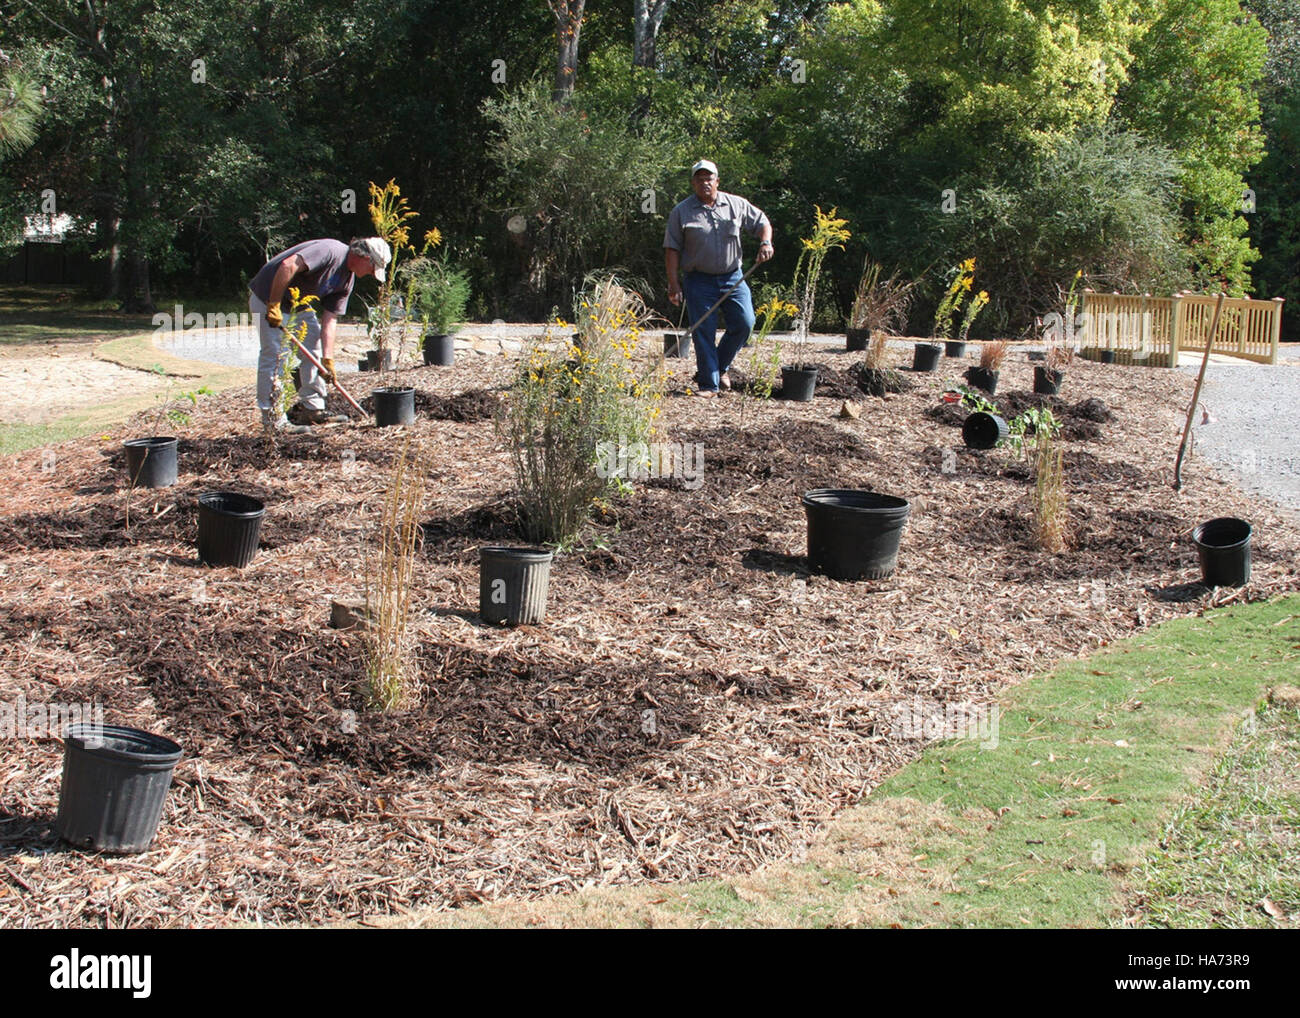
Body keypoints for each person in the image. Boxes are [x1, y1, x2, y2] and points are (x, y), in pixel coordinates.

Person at [248, 236, 391, 432]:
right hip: (267, 296)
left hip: (297, 304)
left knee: (313, 343)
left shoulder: (346, 282)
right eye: (372, 268)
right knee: (275, 357)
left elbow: (330, 320)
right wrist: (274, 304)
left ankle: (312, 409)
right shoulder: (330, 251)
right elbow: (288, 265)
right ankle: (273, 421)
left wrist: (328, 359)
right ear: (365, 257)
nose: (370, 274)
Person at [664, 160, 774, 397]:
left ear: (717, 181)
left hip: (732, 277)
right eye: (700, 179)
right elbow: (671, 249)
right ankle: (708, 385)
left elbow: (762, 222)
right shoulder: (681, 212)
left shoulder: (735, 204)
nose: (705, 182)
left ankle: (720, 367)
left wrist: (766, 242)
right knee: (703, 331)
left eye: (709, 178)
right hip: (698, 280)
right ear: (693, 183)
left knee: (745, 323)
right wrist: (674, 284)